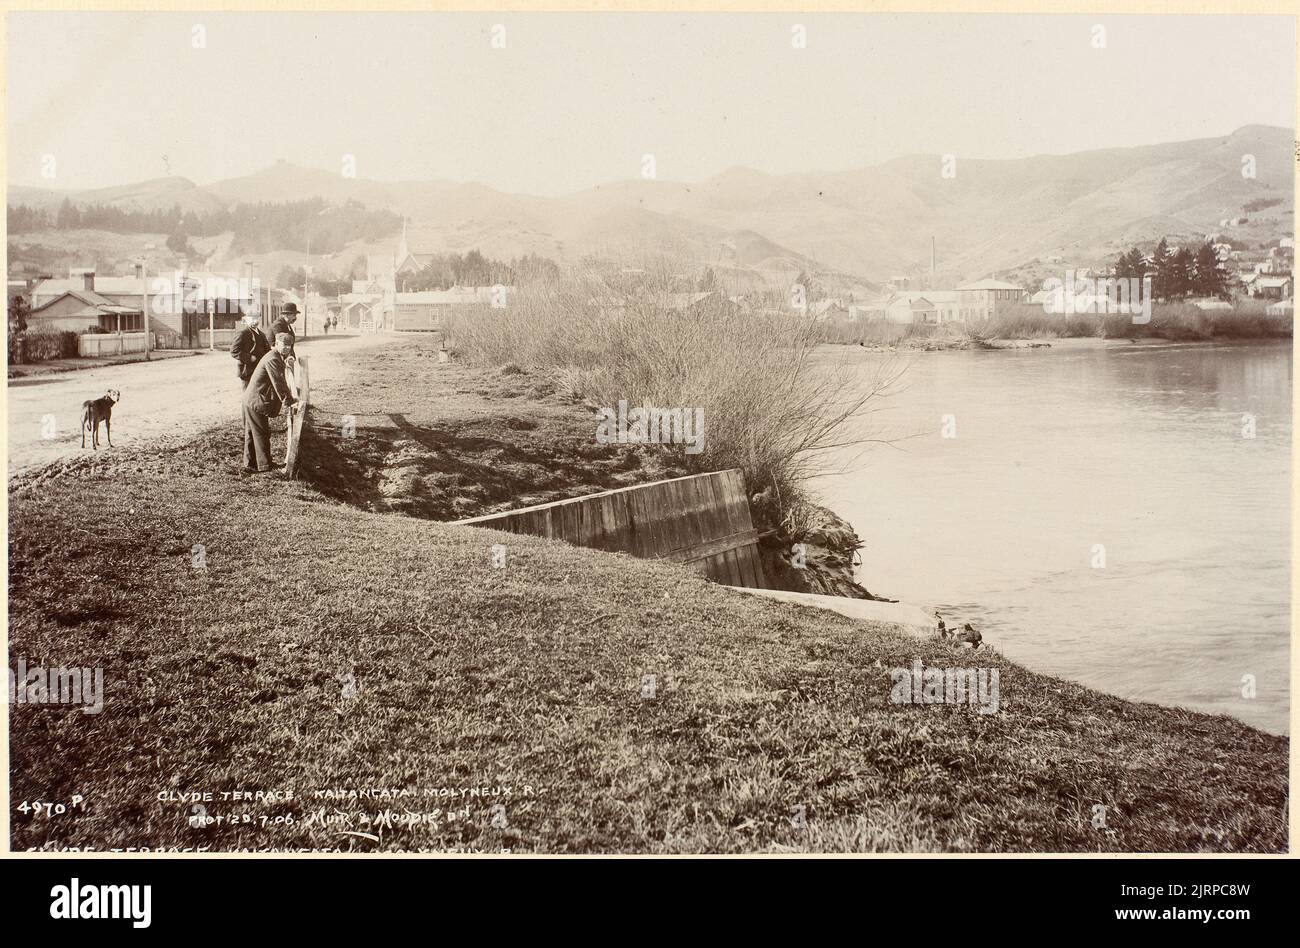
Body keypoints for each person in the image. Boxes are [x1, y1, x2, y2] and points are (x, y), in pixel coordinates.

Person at [242, 332, 298, 474]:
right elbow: (278, 382)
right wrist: (289, 401)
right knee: (262, 433)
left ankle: (250, 464)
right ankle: (265, 467)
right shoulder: (273, 359)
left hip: (252, 399)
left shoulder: (276, 357)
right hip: (256, 401)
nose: (286, 348)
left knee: (252, 432)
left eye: (289, 345)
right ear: (276, 344)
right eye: (284, 345)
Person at [230, 309, 271, 389]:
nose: (255, 321)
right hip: (247, 370)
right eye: (252, 318)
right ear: (246, 319)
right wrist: (249, 357)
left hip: (260, 369)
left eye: (257, 318)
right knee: (247, 394)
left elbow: (267, 350)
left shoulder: (262, 334)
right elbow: (234, 351)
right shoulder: (242, 334)